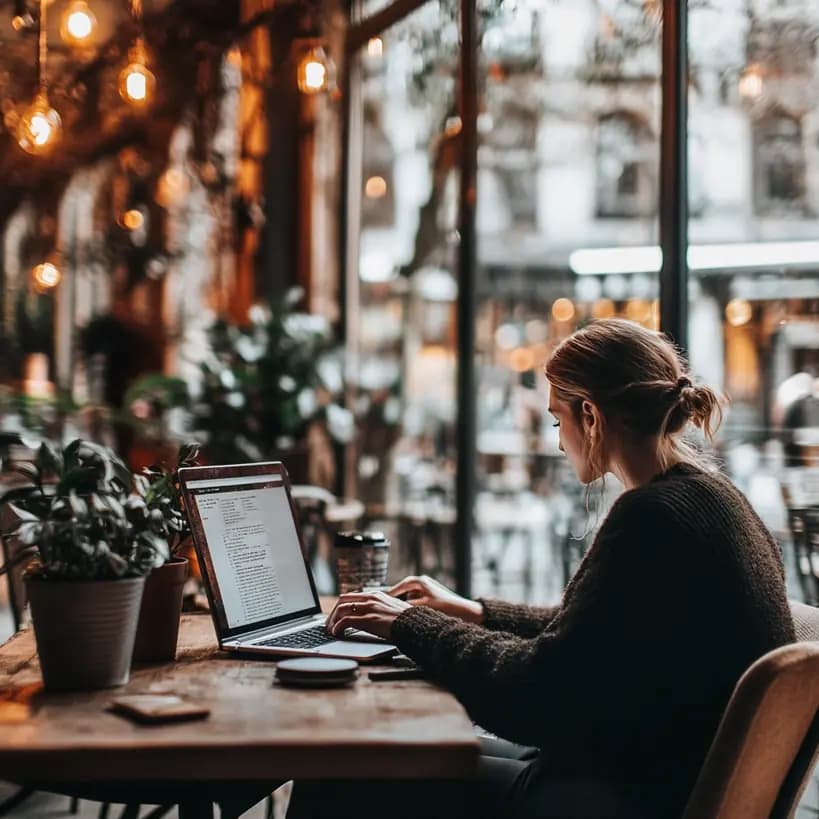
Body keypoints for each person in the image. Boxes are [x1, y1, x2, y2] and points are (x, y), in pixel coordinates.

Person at [287, 318, 796, 819]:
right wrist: (475, 613)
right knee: (396, 747)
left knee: (342, 770)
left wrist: (408, 623)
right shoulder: (715, 500)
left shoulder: (653, 518)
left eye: (558, 420)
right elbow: (593, 639)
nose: (557, 441)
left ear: (591, 417)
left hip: (620, 793)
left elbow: (535, 696)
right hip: (650, 772)